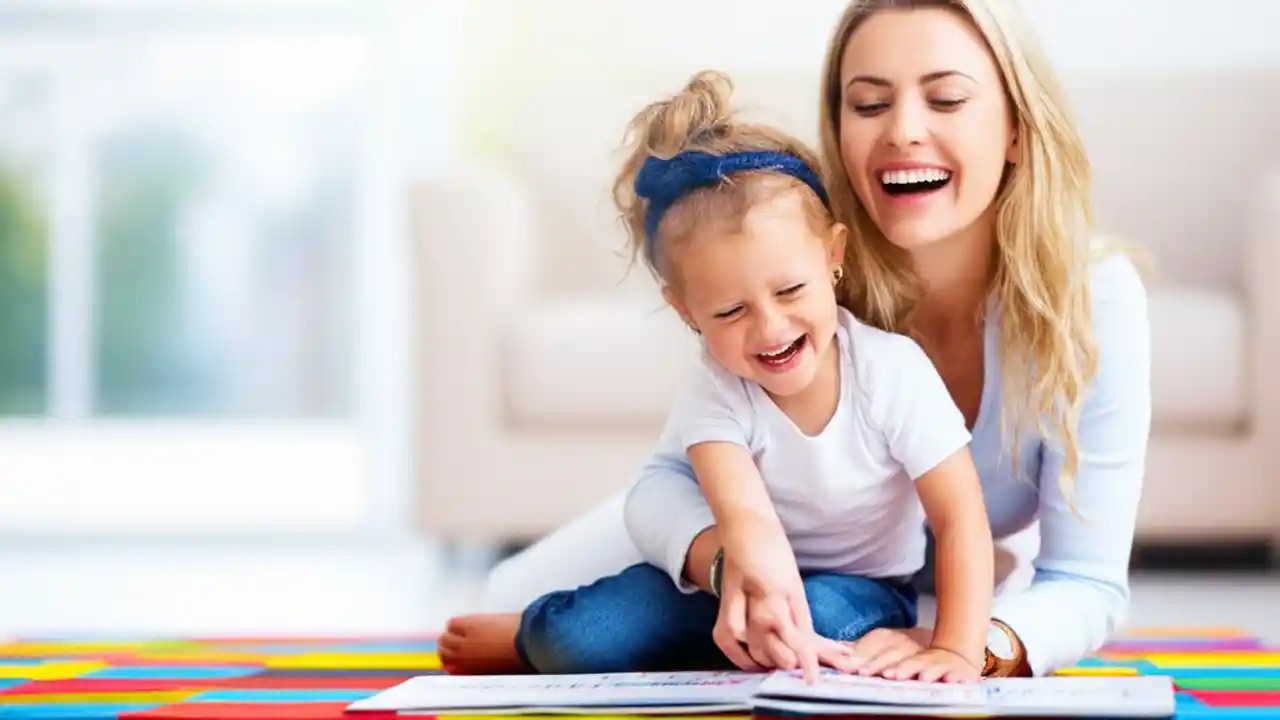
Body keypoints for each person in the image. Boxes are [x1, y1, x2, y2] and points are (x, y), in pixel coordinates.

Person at [467, 0, 1151, 680]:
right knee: (517, 603)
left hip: (868, 584)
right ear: (838, 128)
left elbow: (1087, 581)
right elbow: (668, 482)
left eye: (946, 99)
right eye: (868, 104)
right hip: (740, 531)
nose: (904, 131)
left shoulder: (1093, 296)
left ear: (1016, 130)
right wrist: (730, 558)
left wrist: (972, 642)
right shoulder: (793, 267)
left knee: (812, 625)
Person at [440, 69, 995, 683]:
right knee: (578, 637)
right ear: (685, 310)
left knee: (823, 623)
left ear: (833, 257)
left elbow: (959, 515)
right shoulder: (718, 388)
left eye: (790, 290)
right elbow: (745, 515)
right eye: (730, 312)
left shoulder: (890, 371)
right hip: (730, 575)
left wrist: (957, 649)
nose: (770, 327)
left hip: (860, 588)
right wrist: (742, 570)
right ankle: (532, 633)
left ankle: (730, 648)